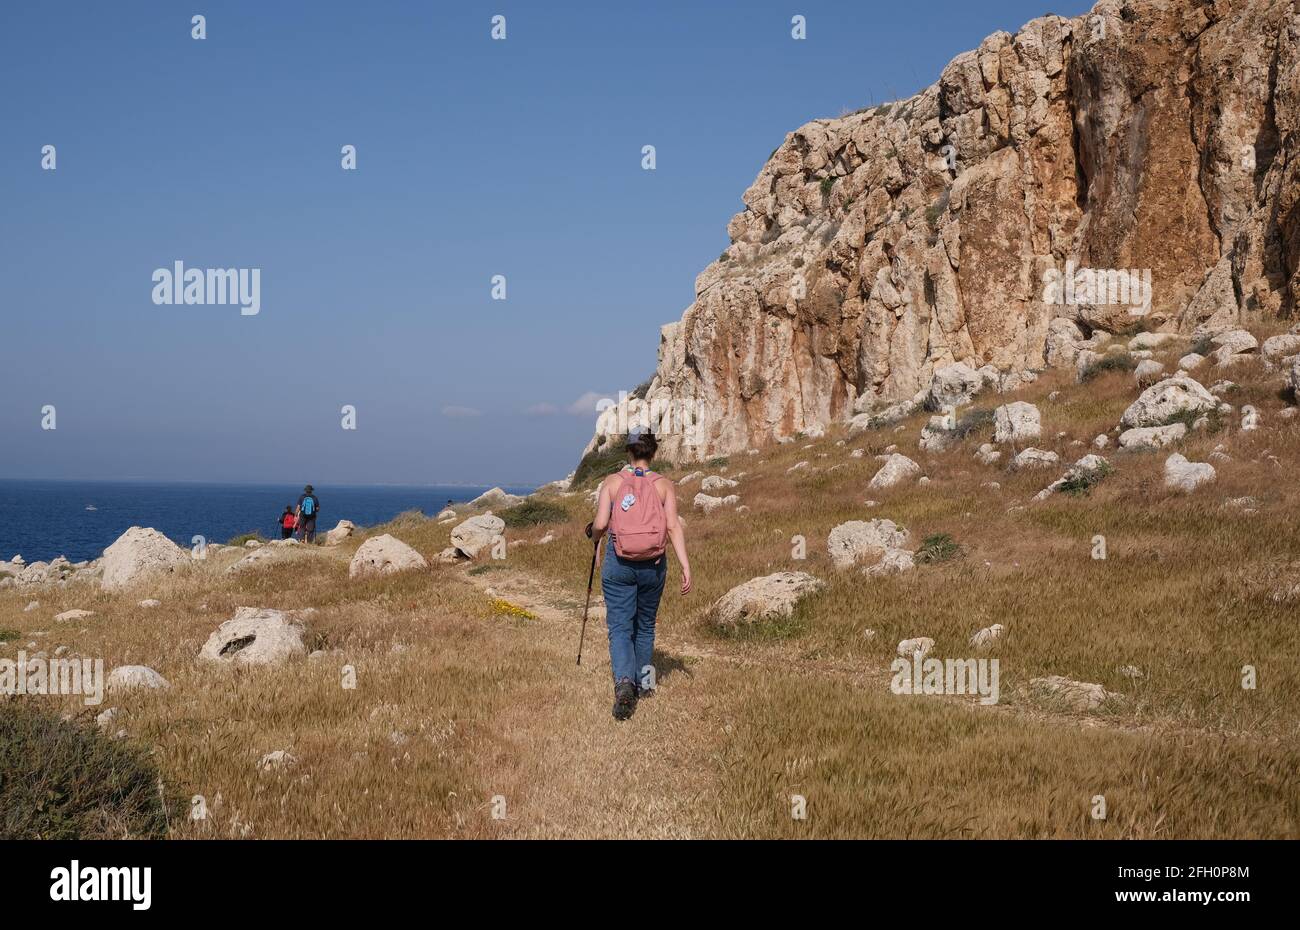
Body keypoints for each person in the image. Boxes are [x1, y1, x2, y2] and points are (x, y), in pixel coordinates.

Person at [589, 428, 691, 721]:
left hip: (618, 564)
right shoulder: (664, 485)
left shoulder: (612, 482)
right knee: (645, 625)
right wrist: (685, 564)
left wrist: (593, 536)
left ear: (629, 452)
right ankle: (645, 683)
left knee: (620, 627)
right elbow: (672, 526)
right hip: (654, 565)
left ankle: (624, 686)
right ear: (653, 453)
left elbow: (600, 524)